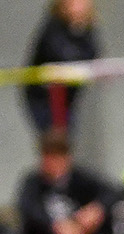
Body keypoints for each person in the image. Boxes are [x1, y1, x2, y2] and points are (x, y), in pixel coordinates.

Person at [24, 0, 101, 136]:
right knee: (52, 136)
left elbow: (93, 53)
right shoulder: (53, 27)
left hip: (68, 95)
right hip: (44, 95)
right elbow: (57, 53)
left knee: (68, 135)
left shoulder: (86, 29)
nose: (79, 8)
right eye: (74, 4)